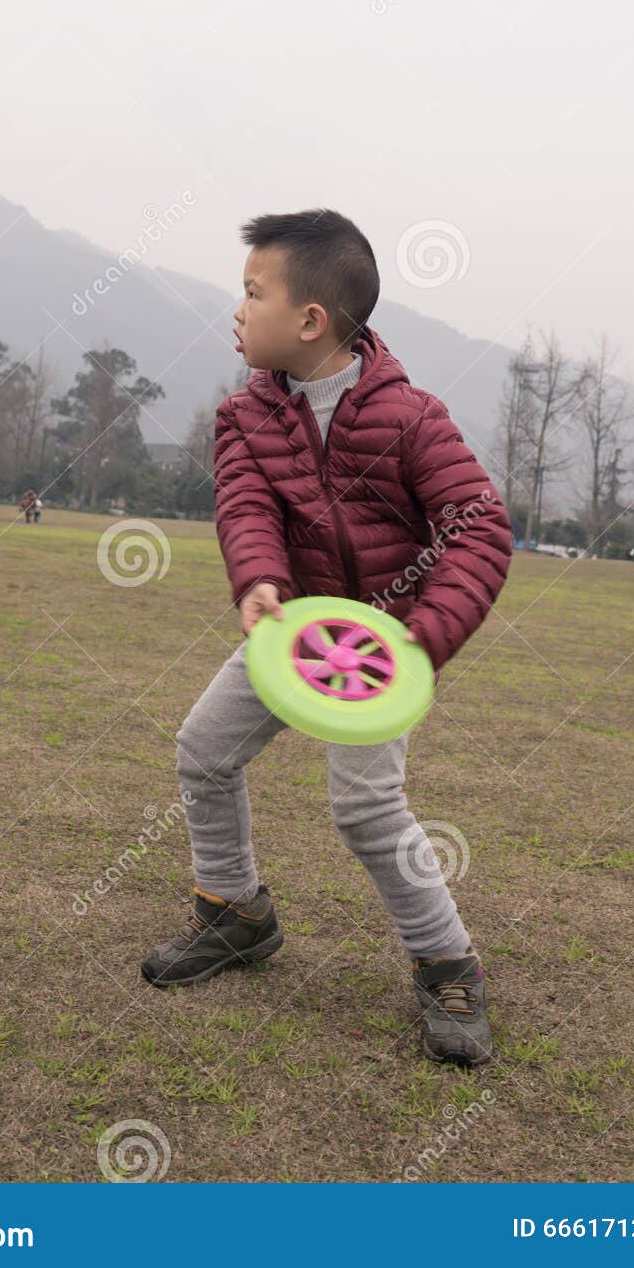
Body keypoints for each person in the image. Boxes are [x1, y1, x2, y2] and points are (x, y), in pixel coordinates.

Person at [140, 210, 513, 1067]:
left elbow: (478, 526)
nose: (235, 311)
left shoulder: (412, 417)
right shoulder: (243, 417)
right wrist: (259, 578)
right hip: (289, 632)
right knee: (203, 748)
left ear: (310, 319)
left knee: (365, 806)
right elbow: (246, 505)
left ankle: (447, 964)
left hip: (381, 649)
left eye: (251, 293)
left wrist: (417, 639)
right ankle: (234, 916)